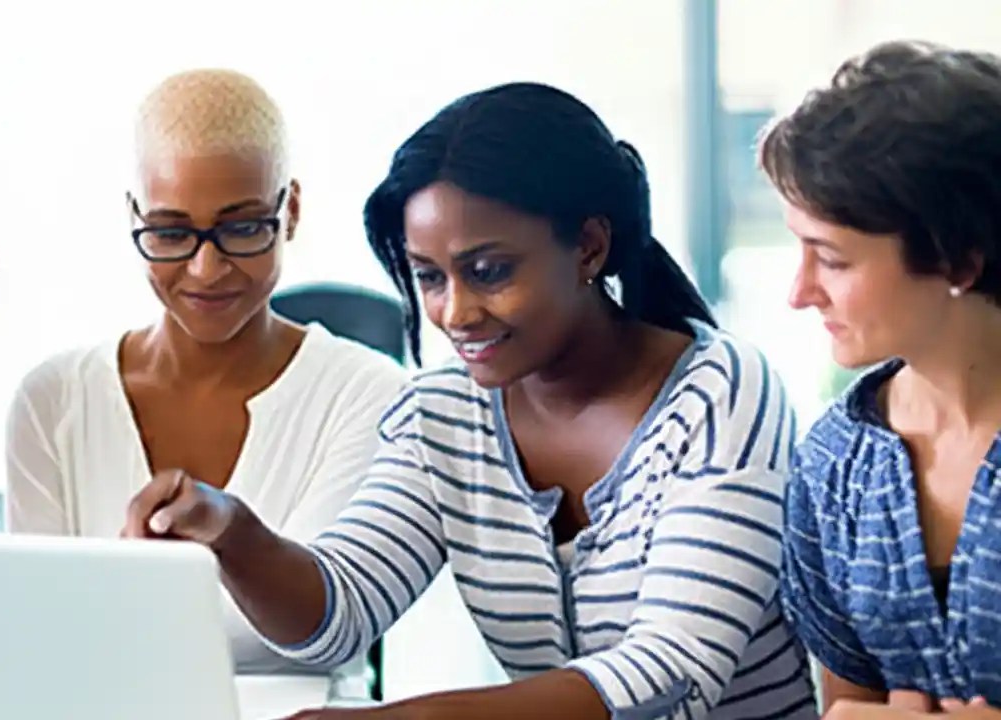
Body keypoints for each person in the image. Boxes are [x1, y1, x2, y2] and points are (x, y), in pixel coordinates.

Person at [120, 81, 817, 719]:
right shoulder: (443, 417)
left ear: (589, 247)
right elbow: (339, 616)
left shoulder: (722, 395)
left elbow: (672, 672)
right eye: (428, 277)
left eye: (489, 272)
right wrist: (230, 530)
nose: (455, 312)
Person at [4, 68, 407, 686]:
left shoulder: (369, 394)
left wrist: (228, 539)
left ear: (290, 210)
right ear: (135, 218)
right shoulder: (52, 401)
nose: (206, 268)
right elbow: (38, 641)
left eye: (243, 227)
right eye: (170, 232)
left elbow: (324, 637)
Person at [764, 40, 1001, 717]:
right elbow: (849, 707)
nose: (800, 291)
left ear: (959, 260)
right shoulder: (834, 465)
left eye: (831, 259)